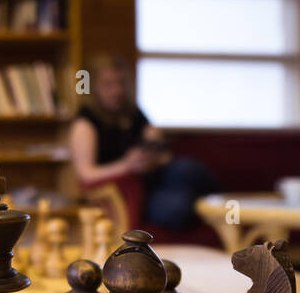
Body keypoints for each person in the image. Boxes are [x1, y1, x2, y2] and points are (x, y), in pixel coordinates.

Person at [69, 54, 218, 231]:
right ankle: (216, 211)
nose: (117, 91)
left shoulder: (132, 112)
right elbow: (86, 175)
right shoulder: (85, 124)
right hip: (131, 195)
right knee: (179, 204)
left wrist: (155, 148)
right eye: (108, 85)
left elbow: (162, 154)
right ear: (93, 88)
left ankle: (220, 206)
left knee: (188, 169)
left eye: (121, 83)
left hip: (154, 178)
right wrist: (127, 165)